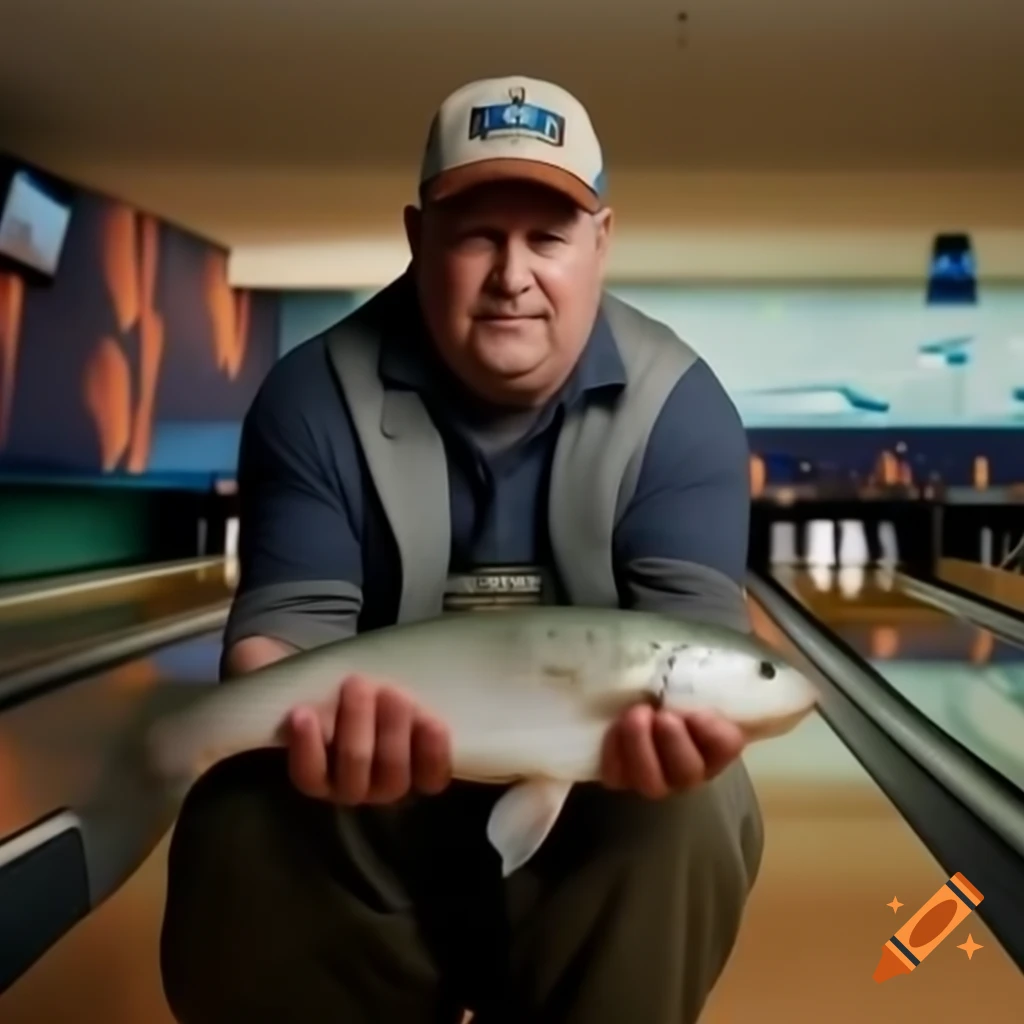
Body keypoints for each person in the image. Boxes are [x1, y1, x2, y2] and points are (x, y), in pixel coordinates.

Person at [160, 75, 764, 1024]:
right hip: (365, 809)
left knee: (694, 807)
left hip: (592, 820)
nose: (512, 274)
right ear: (417, 236)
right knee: (243, 815)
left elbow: (694, 652)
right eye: (479, 232)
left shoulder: (680, 407)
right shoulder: (313, 393)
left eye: (548, 237)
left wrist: (688, 742)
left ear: (602, 241)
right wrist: (317, 730)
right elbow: (279, 645)